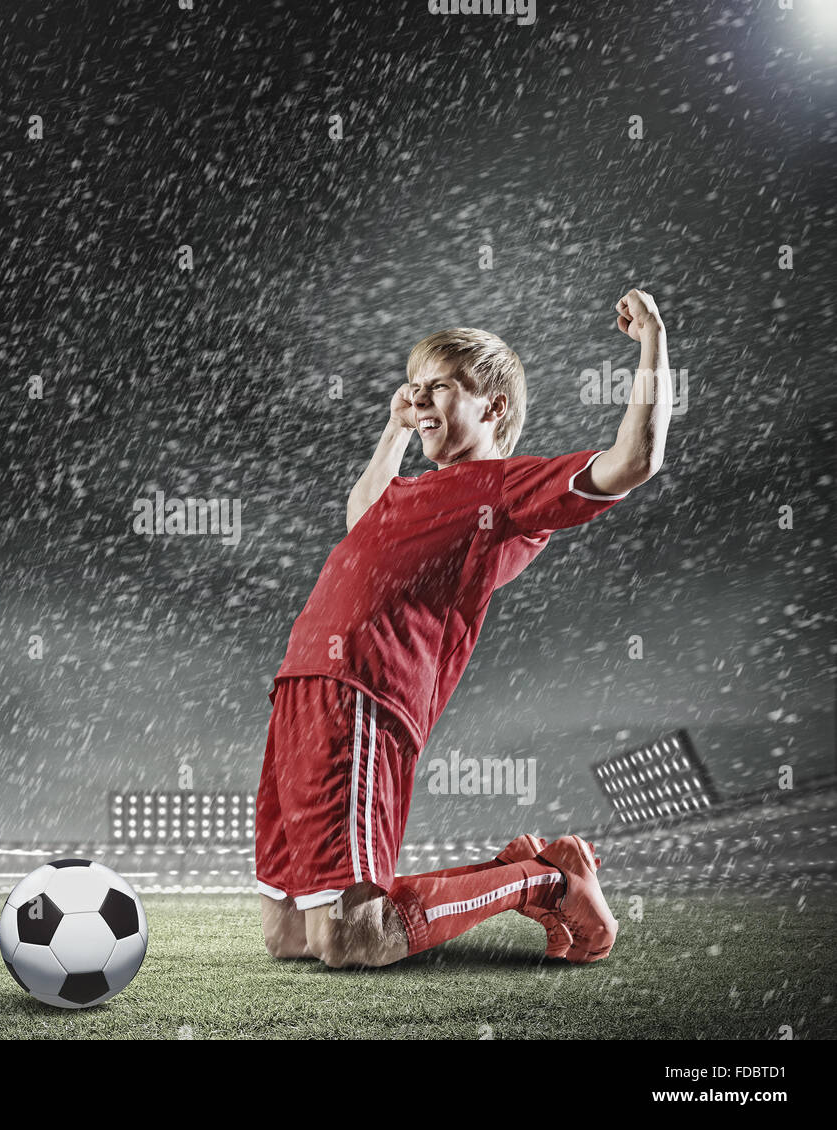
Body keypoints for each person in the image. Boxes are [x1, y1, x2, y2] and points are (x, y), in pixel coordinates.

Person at [255, 288, 672, 967]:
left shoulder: (504, 489)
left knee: (352, 941)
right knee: (290, 939)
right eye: (414, 387)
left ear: (493, 405)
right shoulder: (409, 491)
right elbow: (362, 516)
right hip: (298, 689)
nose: (421, 401)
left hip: (361, 695)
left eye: (440, 388)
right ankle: (532, 868)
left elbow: (634, 462)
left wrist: (653, 341)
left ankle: (546, 881)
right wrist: (395, 427)